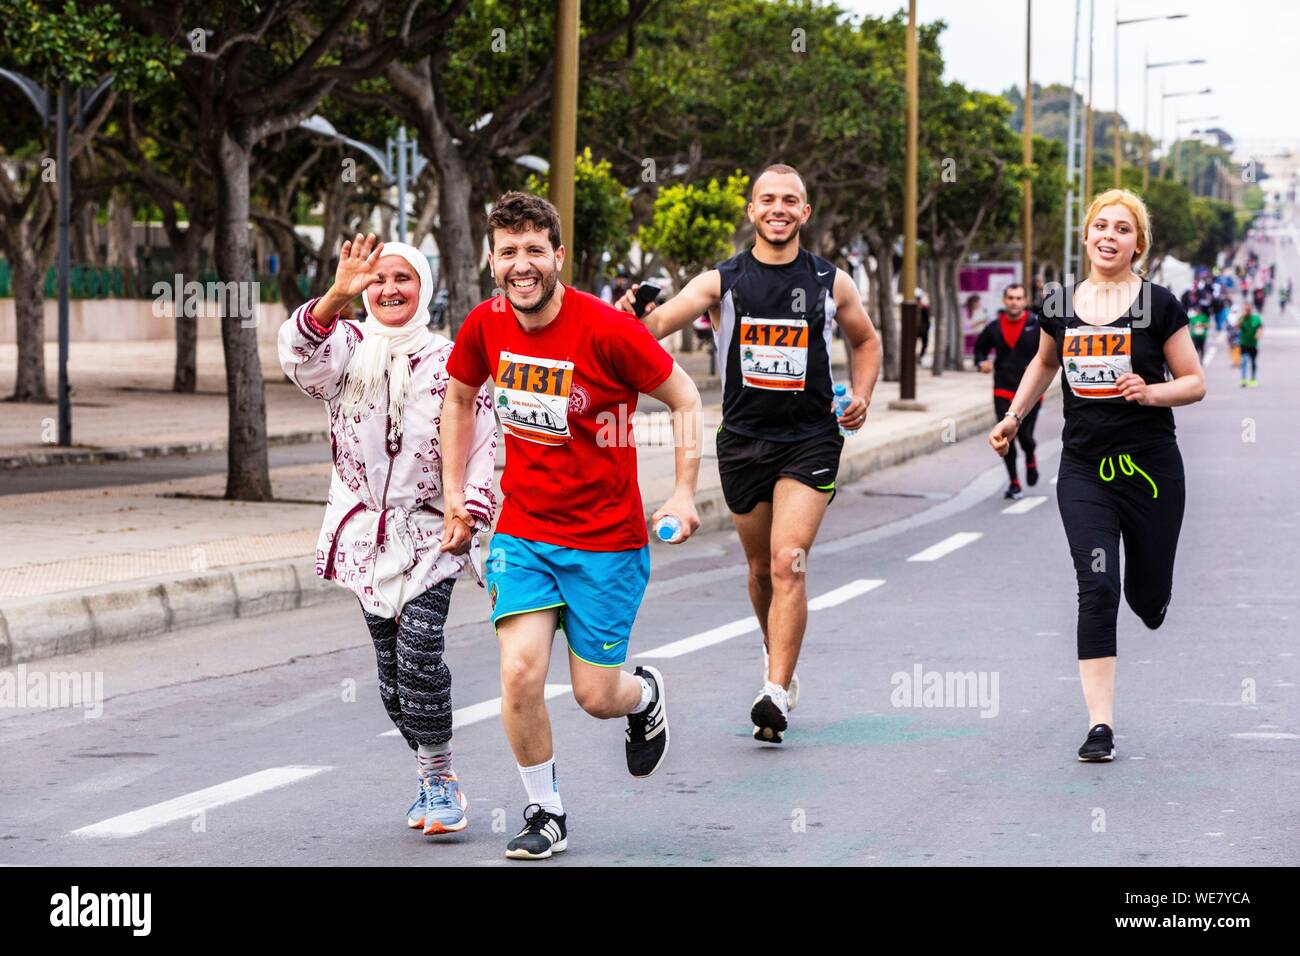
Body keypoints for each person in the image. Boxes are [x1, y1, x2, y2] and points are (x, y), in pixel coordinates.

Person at [439, 191, 703, 860]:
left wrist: (682, 493)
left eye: (534, 250)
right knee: (521, 675)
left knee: (594, 694)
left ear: (558, 256)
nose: (520, 265)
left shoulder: (608, 330)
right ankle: (546, 809)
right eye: (508, 253)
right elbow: (460, 396)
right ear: (491, 261)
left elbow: (685, 398)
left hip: (605, 543)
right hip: (523, 534)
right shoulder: (484, 325)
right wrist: (452, 495)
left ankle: (642, 695)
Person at [616, 163, 882, 745]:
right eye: (768, 199)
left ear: (805, 212)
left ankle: (776, 688)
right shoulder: (722, 281)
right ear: (752, 210)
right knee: (761, 569)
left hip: (810, 440)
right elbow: (654, 325)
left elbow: (866, 339)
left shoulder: (829, 282)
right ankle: (775, 652)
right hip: (741, 442)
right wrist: (632, 314)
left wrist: (861, 395)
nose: (779, 208)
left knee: (789, 560)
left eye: (791, 199)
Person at [278, 234, 499, 835]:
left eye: (403, 278)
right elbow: (297, 359)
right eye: (379, 280)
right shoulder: (345, 348)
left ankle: (440, 782)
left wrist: (468, 511)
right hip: (363, 538)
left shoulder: (454, 360)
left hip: (433, 532)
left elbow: (482, 446)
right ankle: (427, 767)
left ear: (423, 287)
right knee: (390, 677)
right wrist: (334, 296)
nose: (390, 289)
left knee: (420, 653)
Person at [987, 188, 1205, 762]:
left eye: (1124, 229)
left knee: (1147, 590)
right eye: (1100, 226)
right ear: (1086, 236)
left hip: (1151, 471)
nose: (1110, 236)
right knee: (1098, 585)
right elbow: (1044, 362)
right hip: (1084, 470)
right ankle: (1100, 726)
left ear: (1139, 244)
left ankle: (1151, 595)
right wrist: (1013, 415)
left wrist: (1151, 391)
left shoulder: (1159, 305)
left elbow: (1195, 381)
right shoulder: (1059, 305)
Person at [974, 282, 1042, 499]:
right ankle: (1014, 483)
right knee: (1006, 437)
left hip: (1030, 391)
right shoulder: (994, 327)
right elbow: (979, 348)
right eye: (1010, 298)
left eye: (1018, 298)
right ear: (1005, 301)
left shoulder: (1036, 324)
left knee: (1025, 437)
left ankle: (1030, 455)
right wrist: (981, 362)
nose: (1014, 302)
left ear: (1025, 301)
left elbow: (1048, 353)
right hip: (1002, 389)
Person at [1238, 304, 1263, 387]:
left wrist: (1259, 334)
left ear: (1251, 310)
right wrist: (1242, 317)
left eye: (1248, 310)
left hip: (1253, 344)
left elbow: (1260, 327)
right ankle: (1243, 379)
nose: (1247, 311)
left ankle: (1253, 379)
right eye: (1245, 310)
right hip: (1244, 343)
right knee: (1244, 360)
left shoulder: (1256, 318)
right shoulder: (1242, 318)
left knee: (1253, 361)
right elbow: (1236, 325)